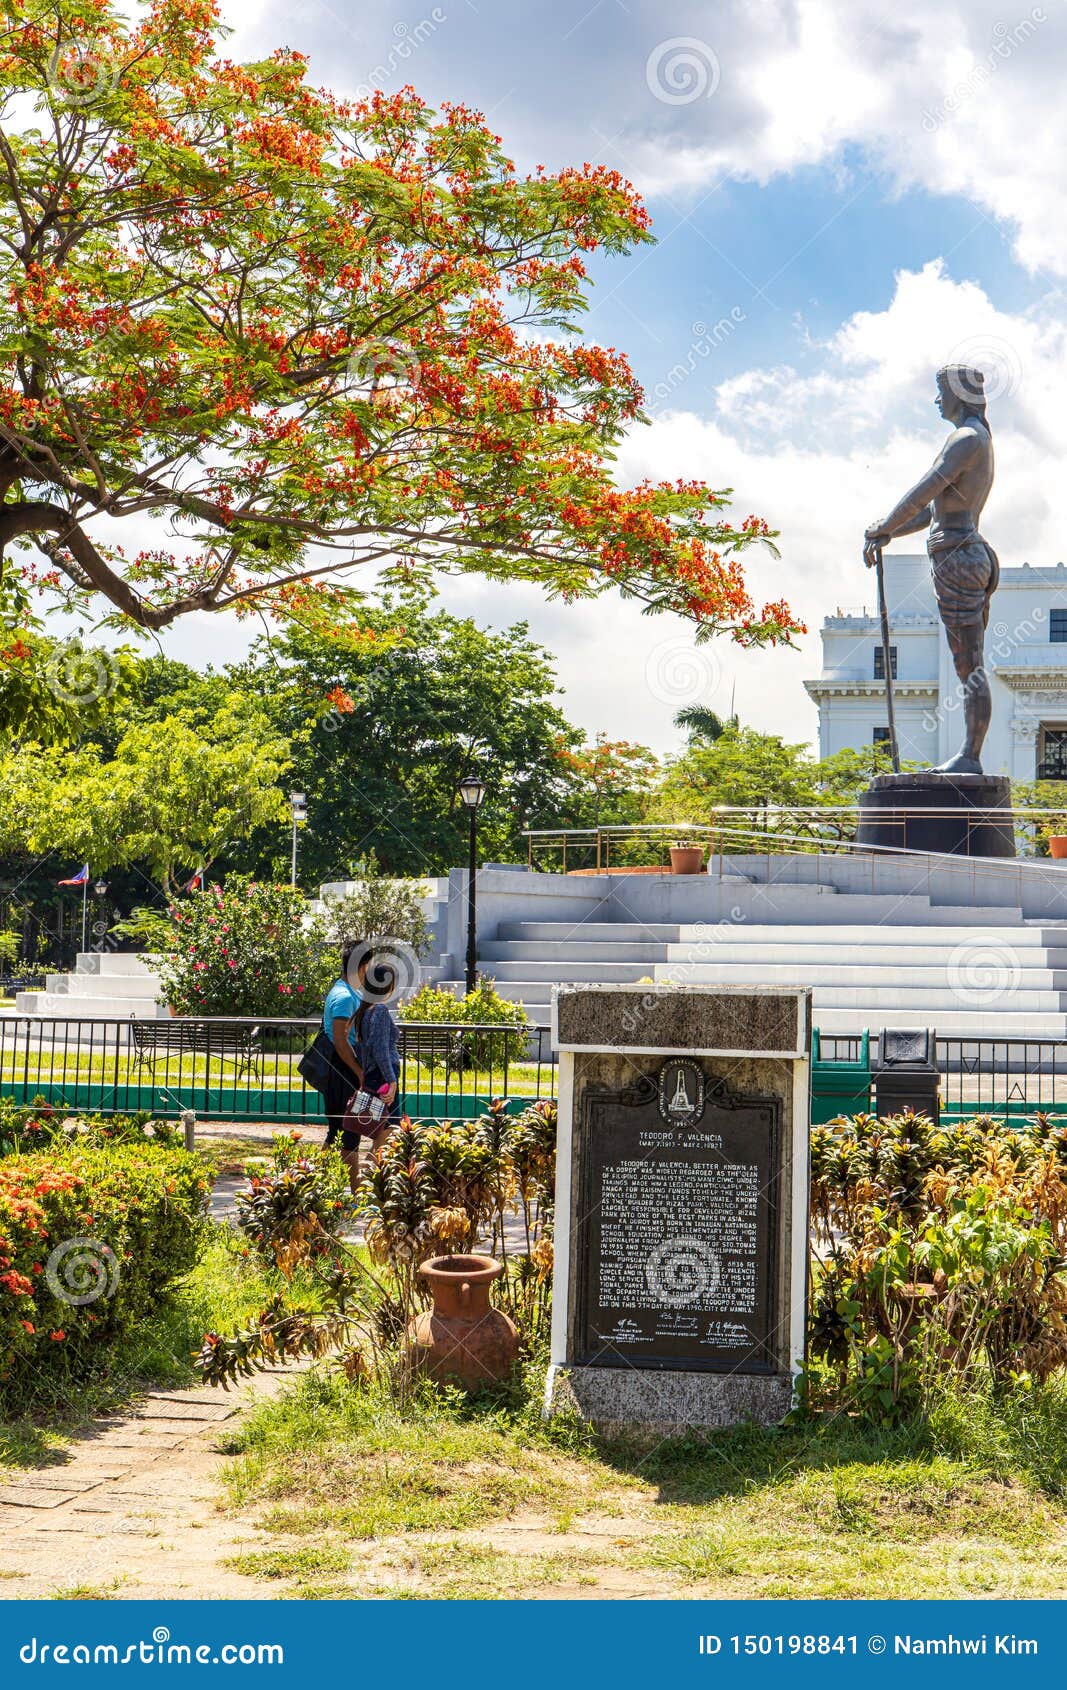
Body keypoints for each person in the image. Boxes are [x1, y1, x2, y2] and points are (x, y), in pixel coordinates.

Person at [338, 942, 401, 1187]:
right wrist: (391, 1081)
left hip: (374, 1078)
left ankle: (369, 1183)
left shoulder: (365, 1011)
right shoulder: (381, 1012)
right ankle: (369, 1183)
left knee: (381, 1131)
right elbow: (380, 1050)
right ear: (388, 986)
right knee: (387, 1131)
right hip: (383, 1080)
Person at [321, 940, 362, 1149]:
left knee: (339, 1132)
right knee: (347, 1134)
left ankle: (316, 1178)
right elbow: (340, 1040)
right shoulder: (344, 996)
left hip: (343, 1069)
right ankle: (355, 1183)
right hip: (341, 1071)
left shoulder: (353, 992)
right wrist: (359, 1072)